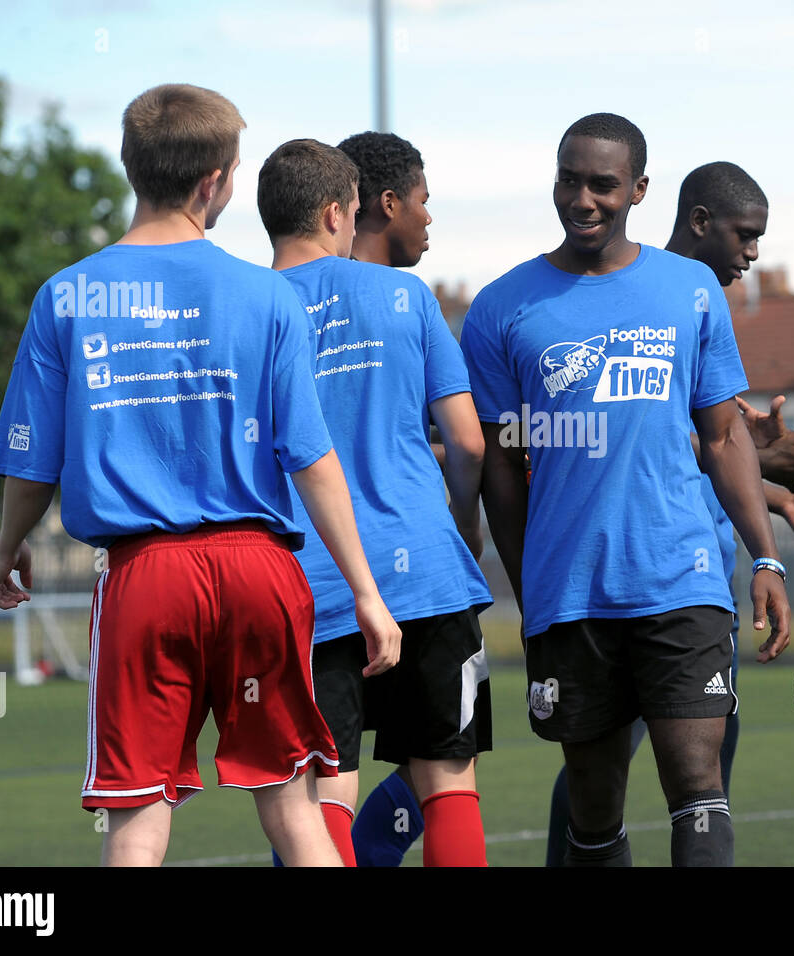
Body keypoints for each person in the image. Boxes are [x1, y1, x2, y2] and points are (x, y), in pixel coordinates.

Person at [0, 85, 399, 867]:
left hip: (145, 578)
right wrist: (367, 593)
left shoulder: (66, 295)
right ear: (215, 181)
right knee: (294, 807)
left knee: (136, 819)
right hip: (259, 573)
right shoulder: (269, 295)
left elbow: (33, 458)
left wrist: (8, 546)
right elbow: (310, 458)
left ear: (129, 165)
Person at [462, 113, 791, 867]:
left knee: (699, 784)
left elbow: (724, 436)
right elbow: (503, 473)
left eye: (603, 184)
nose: (583, 199)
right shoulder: (501, 308)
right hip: (571, 599)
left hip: (682, 581)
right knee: (594, 805)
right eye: (568, 180)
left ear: (639, 190)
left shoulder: (692, 290)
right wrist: (528, 593)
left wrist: (766, 558)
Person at [542, 160, 794, 865]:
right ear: (700, 221)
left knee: (704, 781)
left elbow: (710, 447)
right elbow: (650, 443)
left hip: (696, 583)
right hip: (613, 584)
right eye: (745, 234)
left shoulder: (701, 304)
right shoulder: (638, 296)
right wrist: (761, 464)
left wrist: (773, 499)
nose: (753, 253)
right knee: (596, 773)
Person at [257, 139, 493, 867]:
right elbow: (469, 442)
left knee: (326, 794)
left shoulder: (248, 307)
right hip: (424, 570)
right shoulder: (407, 297)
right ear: (340, 211)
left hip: (310, 582)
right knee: (447, 782)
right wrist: (461, 528)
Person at [337, 131, 431, 268]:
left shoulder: (310, 282)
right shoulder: (410, 288)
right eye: (423, 202)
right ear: (389, 203)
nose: (428, 219)